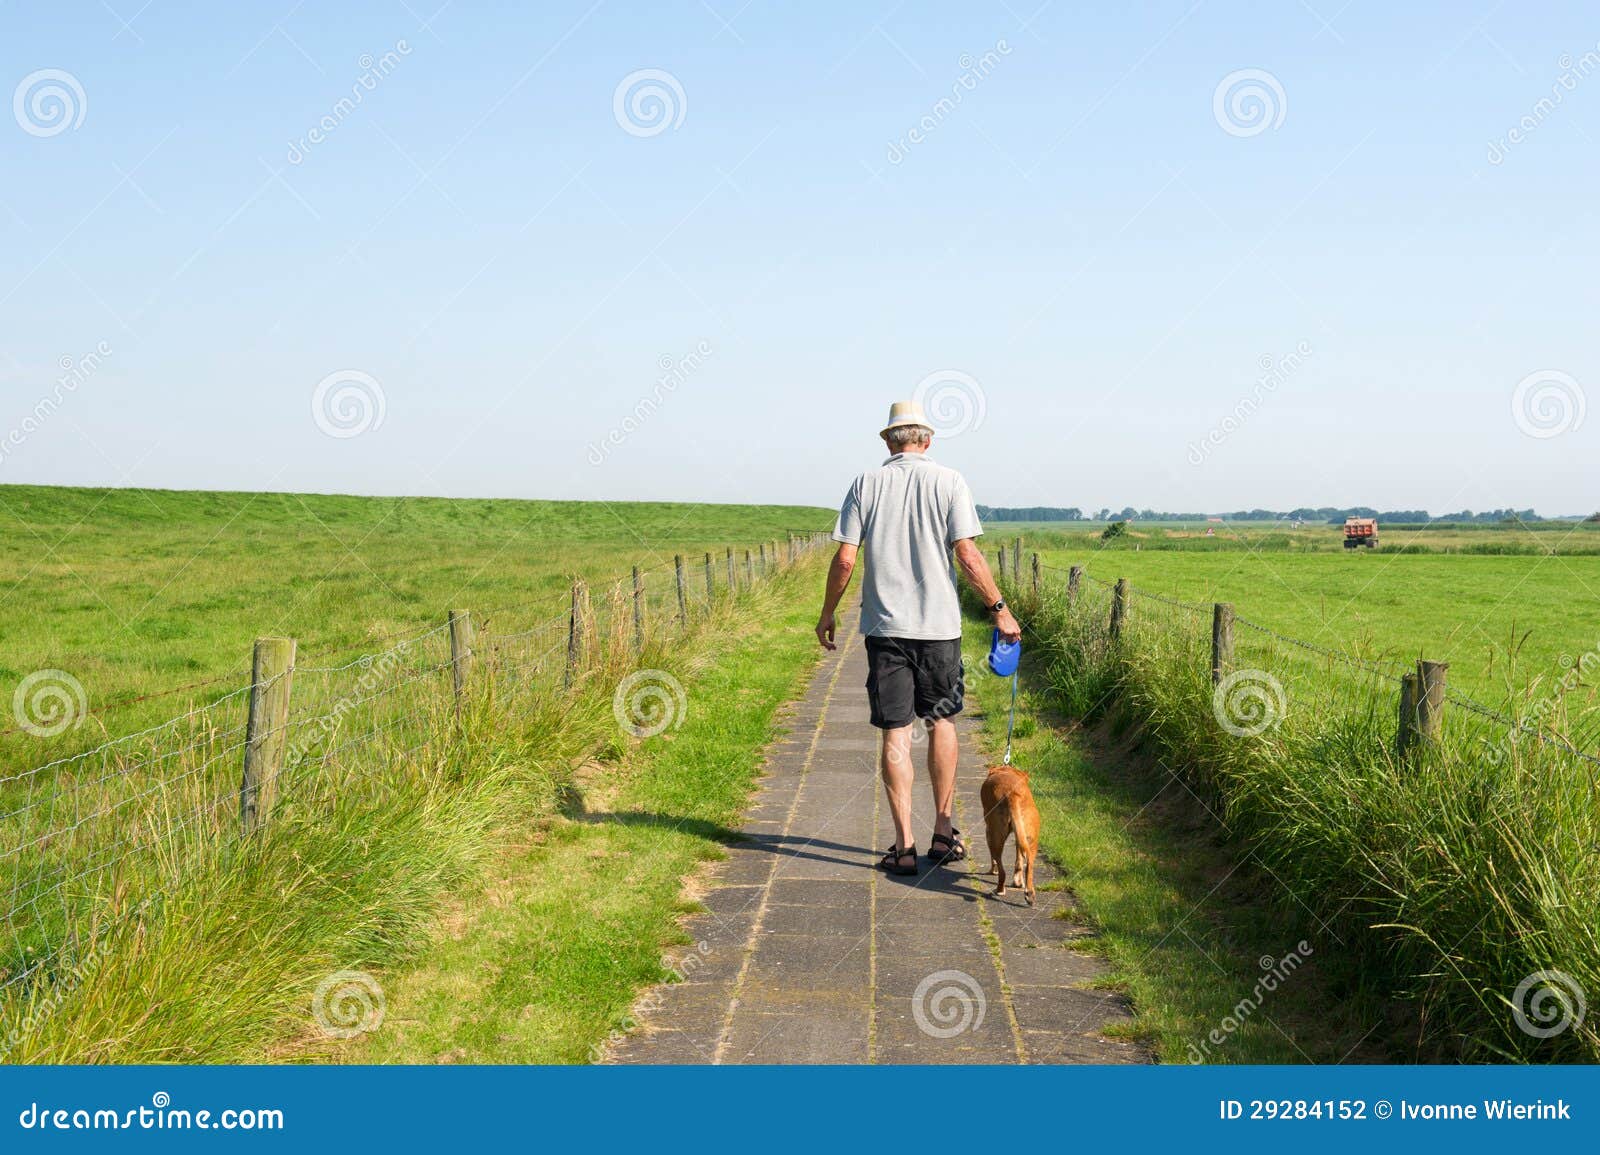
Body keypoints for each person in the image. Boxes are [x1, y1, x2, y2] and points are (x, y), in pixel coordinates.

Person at [815, 401, 1022, 877]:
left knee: (895, 731)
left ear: (889, 441)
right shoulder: (950, 481)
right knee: (943, 723)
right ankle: (944, 833)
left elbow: (846, 559)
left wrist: (828, 612)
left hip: (886, 630)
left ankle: (904, 845)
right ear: (927, 441)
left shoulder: (865, 483)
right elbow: (967, 554)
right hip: (940, 629)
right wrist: (999, 610)